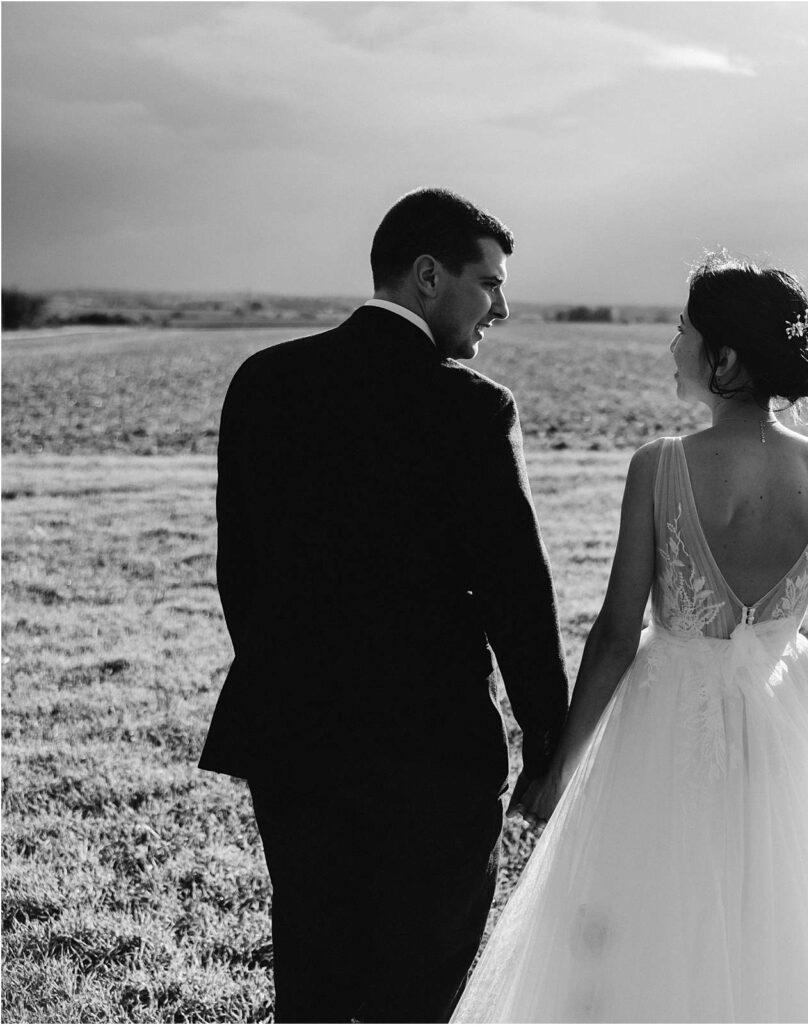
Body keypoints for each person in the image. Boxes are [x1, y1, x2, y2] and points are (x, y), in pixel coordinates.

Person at [451, 253, 808, 1022]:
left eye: (683, 331)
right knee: (774, 936)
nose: (671, 347)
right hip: (781, 732)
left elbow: (616, 636)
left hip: (662, 727)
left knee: (641, 931)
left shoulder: (661, 465)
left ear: (724, 356)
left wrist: (560, 771)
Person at [198, 187, 570, 1023]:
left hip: (292, 738)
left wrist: (287, 670)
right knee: (421, 989)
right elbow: (517, 591)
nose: (502, 307)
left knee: (313, 978)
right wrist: (547, 734)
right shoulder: (473, 407)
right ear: (429, 275)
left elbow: (238, 567)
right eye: (490, 282)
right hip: (433, 750)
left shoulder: (264, 381)